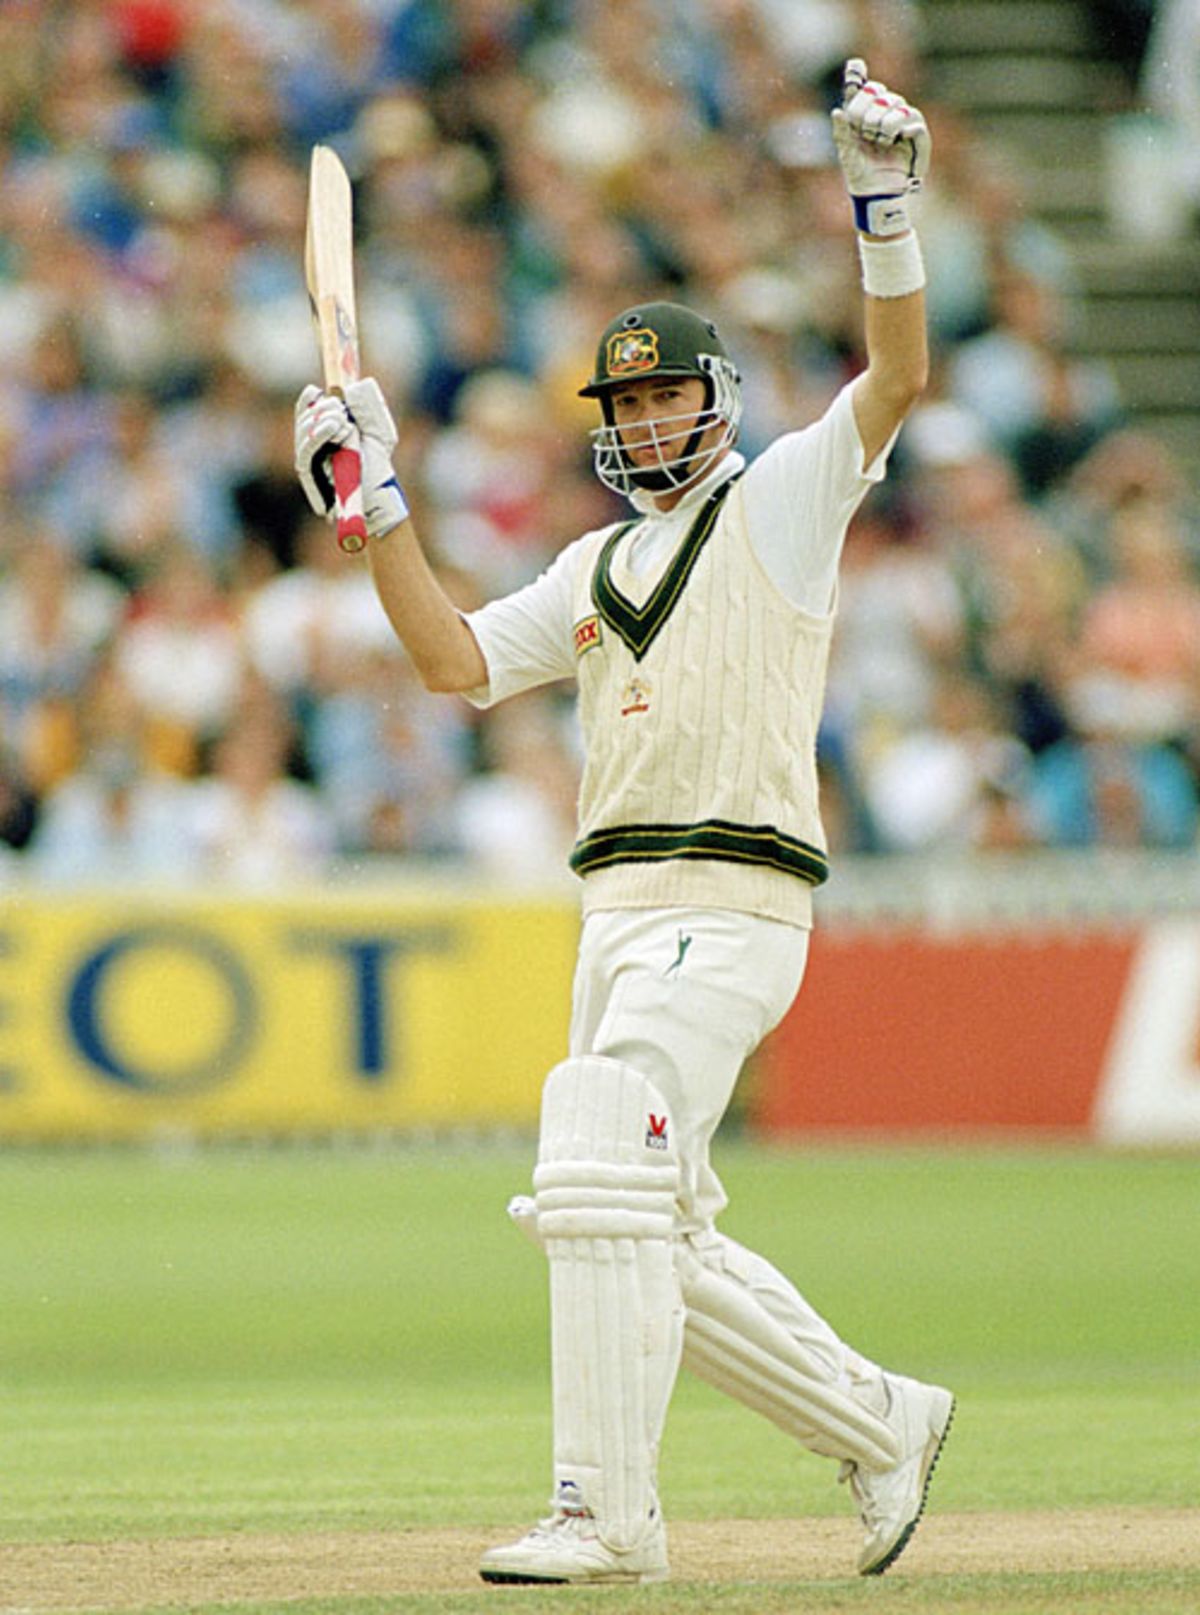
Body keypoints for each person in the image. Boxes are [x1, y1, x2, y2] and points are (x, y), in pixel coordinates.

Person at [295, 59, 953, 1587]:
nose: (650, 418)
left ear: (714, 401)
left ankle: (608, 1512)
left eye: (670, 392)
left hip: (736, 902)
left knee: (593, 1144)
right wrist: (374, 501)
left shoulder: (787, 499)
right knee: (647, 1227)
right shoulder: (592, 569)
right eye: (629, 398)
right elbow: (454, 662)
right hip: (615, 910)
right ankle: (878, 1422)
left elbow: (900, 377)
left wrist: (885, 208)